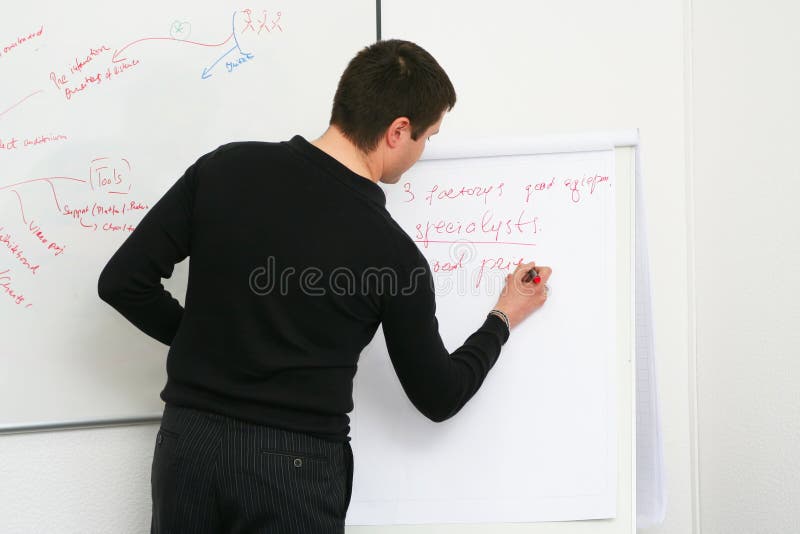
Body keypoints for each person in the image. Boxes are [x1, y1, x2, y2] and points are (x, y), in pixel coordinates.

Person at [98, 39, 551, 534]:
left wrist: (199, 341)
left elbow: (123, 282)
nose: (423, 152)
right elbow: (439, 396)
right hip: (291, 468)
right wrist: (502, 317)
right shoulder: (394, 257)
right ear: (399, 130)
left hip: (188, 444)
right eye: (428, 137)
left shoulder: (223, 168)